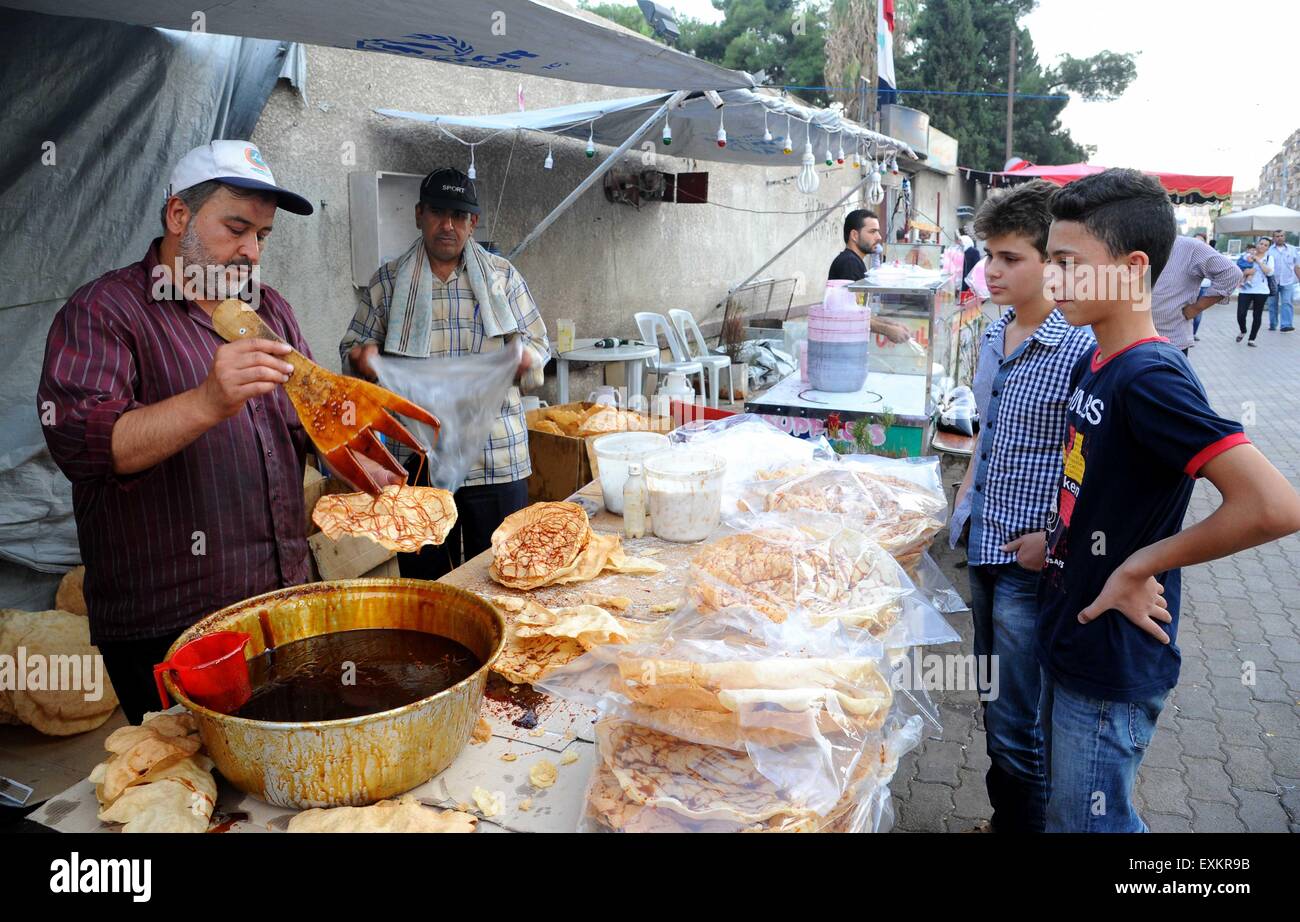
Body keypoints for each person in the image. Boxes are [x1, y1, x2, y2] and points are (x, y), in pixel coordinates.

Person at [36, 141, 377, 724]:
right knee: (188, 788)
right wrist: (207, 401)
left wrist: (359, 449)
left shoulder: (270, 309)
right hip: (172, 624)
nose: (250, 251)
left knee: (283, 775)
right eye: (235, 228)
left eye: (262, 236)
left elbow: (304, 427)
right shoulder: (106, 310)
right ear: (179, 216)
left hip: (278, 599)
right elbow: (81, 444)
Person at [1039, 168, 1300, 832]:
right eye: (1050, 263)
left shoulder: (1150, 377)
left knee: (1088, 824)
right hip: (1074, 625)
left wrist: (1138, 565)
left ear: (1130, 269)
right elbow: (1094, 482)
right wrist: (1059, 538)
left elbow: (1272, 506)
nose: (1053, 282)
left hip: (1113, 656)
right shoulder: (1092, 358)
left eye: (1068, 265)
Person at [949, 180, 1096, 833]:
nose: (992, 270)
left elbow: (1102, 461)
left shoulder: (1080, 347)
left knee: (1021, 721)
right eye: (988, 255)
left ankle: (1020, 827)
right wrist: (960, 497)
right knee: (994, 701)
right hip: (982, 542)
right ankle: (1006, 819)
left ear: (1052, 260)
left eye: (1011, 257)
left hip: (1031, 561)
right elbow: (989, 427)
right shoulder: (994, 327)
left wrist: (1054, 540)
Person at [340, 168, 549, 580]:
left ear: (473, 222)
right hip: (417, 462)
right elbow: (350, 351)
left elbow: (540, 345)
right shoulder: (388, 283)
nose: (447, 225)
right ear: (419, 214)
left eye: (459, 215)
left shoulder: (502, 279)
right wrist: (362, 360)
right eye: (438, 212)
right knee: (428, 584)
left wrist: (527, 360)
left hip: (497, 458)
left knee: (508, 575)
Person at [827, 209, 914, 343]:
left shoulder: (855, 261)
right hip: (843, 345)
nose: (879, 237)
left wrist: (890, 324)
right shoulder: (849, 263)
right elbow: (849, 314)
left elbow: (859, 311)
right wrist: (887, 330)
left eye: (878, 231)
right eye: (872, 232)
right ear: (854, 235)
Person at [1149, 234, 1241, 355]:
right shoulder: (1125, 243)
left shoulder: (1189, 247)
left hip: (1170, 341)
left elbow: (1231, 273)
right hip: (1127, 342)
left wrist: (1197, 308)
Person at [1235, 238, 1273, 346]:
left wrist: (1258, 261)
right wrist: (1245, 272)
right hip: (1245, 289)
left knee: (1257, 315)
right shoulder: (1246, 255)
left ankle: (1252, 339)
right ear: (1257, 244)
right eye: (1261, 243)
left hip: (1261, 290)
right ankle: (1243, 330)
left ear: (1268, 248)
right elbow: (1238, 268)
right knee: (1241, 314)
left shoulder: (1269, 258)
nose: (1262, 246)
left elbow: (1269, 273)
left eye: (1265, 245)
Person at [1267, 229, 1298, 331]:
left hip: (1288, 281)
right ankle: (1273, 324)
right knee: (1272, 304)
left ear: (1285, 237)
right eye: (1277, 236)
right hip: (1272, 282)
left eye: (1281, 236)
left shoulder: (1292, 249)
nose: (1279, 238)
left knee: (1287, 302)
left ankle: (1286, 325)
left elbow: (1297, 266)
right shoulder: (1269, 250)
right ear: (1273, 238)